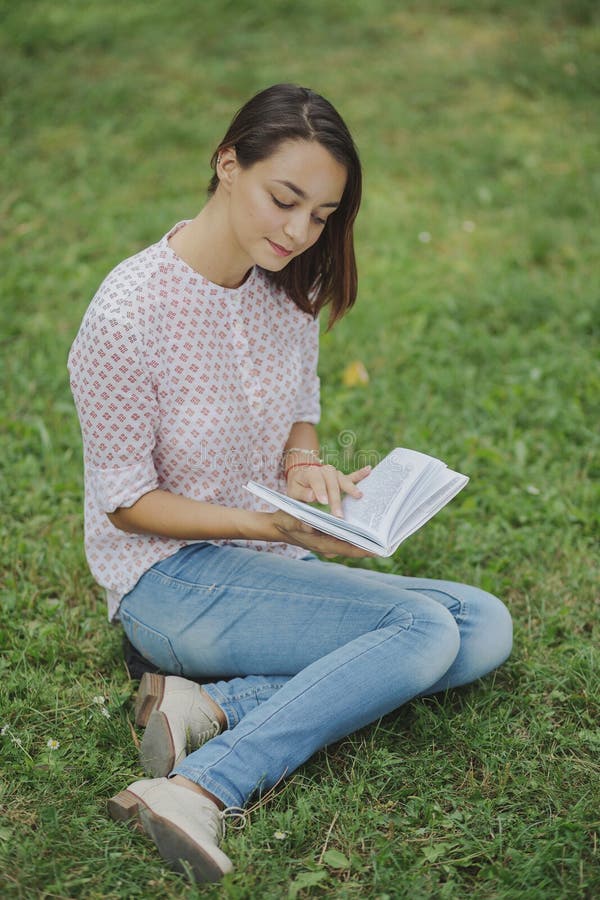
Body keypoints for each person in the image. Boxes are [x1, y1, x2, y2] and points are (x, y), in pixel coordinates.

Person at [68, 83, 512, 883]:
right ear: (227, 163)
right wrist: (271, 527)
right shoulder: (127, 315)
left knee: (481, 624)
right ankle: (201, 787)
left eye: (322, 215)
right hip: (166, 584)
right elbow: (127, 503)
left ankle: (211, 705)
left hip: (270, 561)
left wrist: (305, 471)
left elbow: (299, 415)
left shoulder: (287, 292)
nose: (300, 231)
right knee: (422, 629)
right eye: (285, 200)